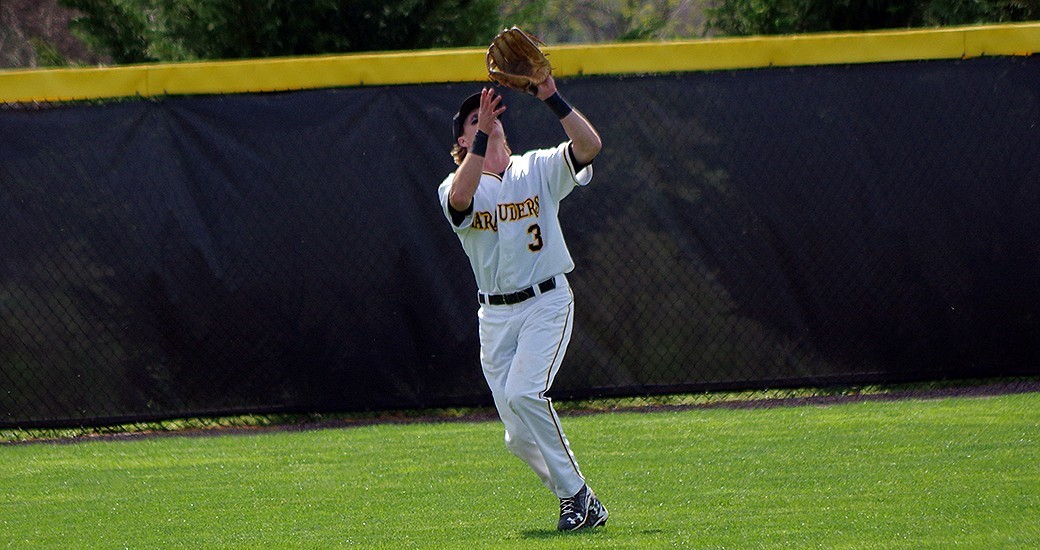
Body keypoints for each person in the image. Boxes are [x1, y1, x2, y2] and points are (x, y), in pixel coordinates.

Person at [436, 77, 607, 531]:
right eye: (476, 117)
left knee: (525, 393)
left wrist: (550, 94)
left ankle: (575, 498)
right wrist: (480, 137)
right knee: (516, 435)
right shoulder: (454, 184)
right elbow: (460, 199)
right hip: (493, 317)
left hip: (545, 302)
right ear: (462, 139)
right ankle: (581, 498)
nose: (487, 117)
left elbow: (589, 147)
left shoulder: (536, 169)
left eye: (491, 112)